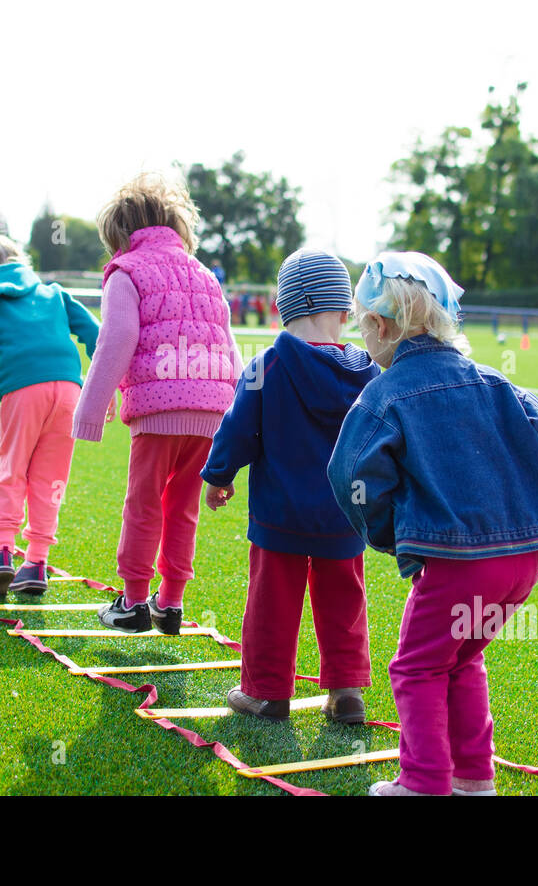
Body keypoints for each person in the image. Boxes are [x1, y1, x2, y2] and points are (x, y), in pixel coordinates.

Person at [329, 252, 538, 796]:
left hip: (458, 563)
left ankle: (422, 784)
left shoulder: (385, 392)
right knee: (462, 659)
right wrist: (532, 511)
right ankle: (473, 779)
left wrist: (391, 533)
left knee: (416, 668)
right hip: (520, 564)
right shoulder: (492, 381)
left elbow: (349, 472)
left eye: (364, 325)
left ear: (381, 326)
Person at [202, 249, 379, 724]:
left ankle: (267, 691)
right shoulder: (369, 371)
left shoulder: (267, 364)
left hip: (279, 514)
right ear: (344, 311)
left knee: (272, 602)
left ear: (281, 307)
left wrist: (219, 476)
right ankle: (346, 692)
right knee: (344, 600)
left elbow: (238, 428)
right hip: (346, 513)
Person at [73, 172, 240, 633]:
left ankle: (131, 602)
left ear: (120, 235)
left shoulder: (127, 272)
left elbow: (118, 337)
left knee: (143, 503)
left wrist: (91, 408)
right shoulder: (205, 274)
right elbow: (229, 345)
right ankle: (170, 602)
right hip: (212, 410)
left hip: (159, 408)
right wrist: (236, 423)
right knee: (182, 506)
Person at [0, 236, 100, 596]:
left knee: (12, 469)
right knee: (51, 478)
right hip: (69, 392)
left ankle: (1, 554)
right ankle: (37, 563)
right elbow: (97, 334)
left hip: (23, 390)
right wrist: (106, 385)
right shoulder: (54, 293)